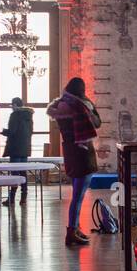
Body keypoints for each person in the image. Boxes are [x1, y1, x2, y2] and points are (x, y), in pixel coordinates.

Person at [49, 77, 100, 247]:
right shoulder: (80, 107)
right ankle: (72, 231)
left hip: (71, 151)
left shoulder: (61, 106)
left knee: (77, 194)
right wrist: (90, 107)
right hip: (83, 153)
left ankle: (75, 229)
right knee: (78, 195)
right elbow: (97, 123)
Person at [0, 97, 34, 207]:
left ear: (15, 105)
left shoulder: (14, 115)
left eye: (12, 105)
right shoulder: (29, 116)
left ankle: (11, 198)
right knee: (23, 173)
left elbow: (12, 131)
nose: (12, 108)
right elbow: (30, 132)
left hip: (15, 148)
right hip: (25, 148)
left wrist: (4, 132)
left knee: (14, 173)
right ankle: (23, 198)